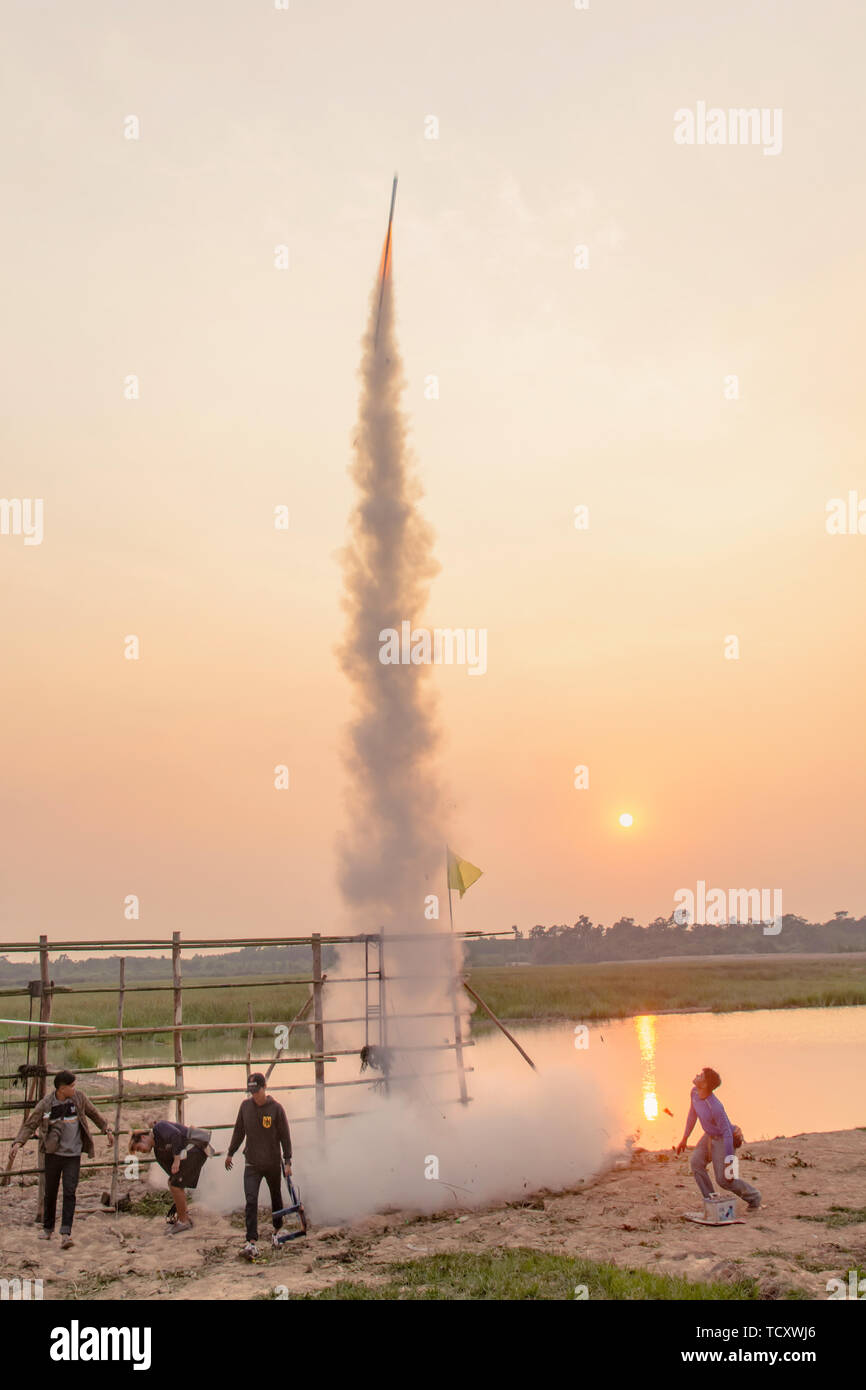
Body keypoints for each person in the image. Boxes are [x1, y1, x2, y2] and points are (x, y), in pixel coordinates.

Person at [9, 1069, 114, 1249]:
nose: (75, 1088)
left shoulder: (79, 1098)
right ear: (62, 1088)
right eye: (72, 1086)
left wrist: (107, 1129)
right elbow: (31, 1123)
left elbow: (94, 1114)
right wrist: (18, 1143)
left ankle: (66, 1232)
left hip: (73, 1155)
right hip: (53, 1154)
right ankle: (48, 1228)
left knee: (69, 1191)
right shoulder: (46, 1104)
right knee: (50, 1192)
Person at [225, 1074, 293, 1259]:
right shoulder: (245, 1107)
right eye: (251, 1092)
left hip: (271, 1162)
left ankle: (277, 1230)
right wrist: (231, 1152)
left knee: (276, 1196)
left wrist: (287, 1161)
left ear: (265, 1088)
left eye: (257, 1091)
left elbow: (285, 1137)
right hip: (252, 1162)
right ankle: (251, 1242)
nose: (254, 1095)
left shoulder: (276, 1109)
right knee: (251, 1199)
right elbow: (239, 1130)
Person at [675, 1066, 761, 1210]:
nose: (697, 1075)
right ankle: (711, 1201)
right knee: (696, 1163)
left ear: (706, 1084)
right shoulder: (694, 1092)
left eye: (701, 1076)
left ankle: (754, 1197)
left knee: (725, 1180)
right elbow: (692, 1115)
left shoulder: (715, 1106)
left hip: (725, 1139)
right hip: (708, 1135)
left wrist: (729, 1161)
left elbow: (727, 1134)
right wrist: (684, 1138)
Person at [128, 1120, 209, 1234]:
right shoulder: (158, 1152)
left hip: (195, 1147)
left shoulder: (159, 1128)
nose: (142, 1151)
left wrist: (176, 1159)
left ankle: (184, 1221)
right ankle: (183, 1216)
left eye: (139, 1148)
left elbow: (176, 1135)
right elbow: (171, 1172)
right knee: (173, 1184)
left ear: (143, 1138)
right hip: (191, 1151)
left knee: (175, 1185)